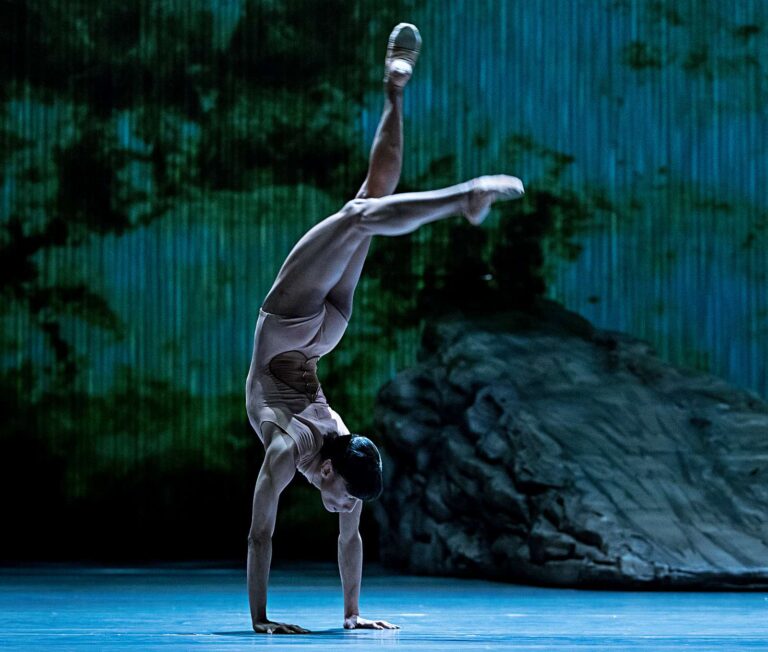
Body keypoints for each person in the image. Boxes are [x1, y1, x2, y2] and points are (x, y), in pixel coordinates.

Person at [245, 22, 524, 635]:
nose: (348, 513)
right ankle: (464, 196)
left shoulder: (318, 455)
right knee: (361, 212)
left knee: (368, 206)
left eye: (348, 503)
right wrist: (262, 622)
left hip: (301, 336)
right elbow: (266, 533)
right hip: (301, 334)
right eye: (348, 500)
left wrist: (351, 615)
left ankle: (395, 90)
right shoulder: (312, 449)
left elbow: (310, 536)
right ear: (333, 475)